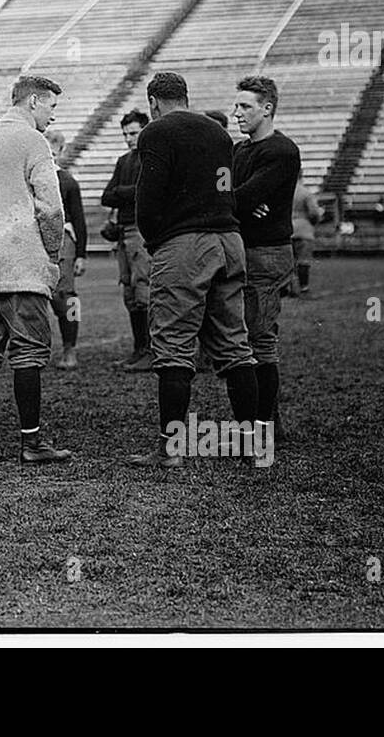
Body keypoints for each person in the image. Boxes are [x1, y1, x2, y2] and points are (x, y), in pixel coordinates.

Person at [126, 71, 260, 469]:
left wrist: (156, 241)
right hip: (229, 241)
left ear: (153, 102)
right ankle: (252, 444)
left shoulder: (156, 132)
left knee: (173, 347)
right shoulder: (218, 132)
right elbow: (225, 187)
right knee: (236, 345)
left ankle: (170, 449)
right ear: (185, 96)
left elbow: (148, 199)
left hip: (186, 245)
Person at [0, 75, 72, 465]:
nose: (53, 116)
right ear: (34, 101)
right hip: (23, 265)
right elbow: (51, 209)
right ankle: (32, 444)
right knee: (28, 352)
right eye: (51, 107)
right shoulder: (34, 141)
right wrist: (51, 254)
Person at [232, 75, 301, 441]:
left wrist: (242, 200)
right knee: (247, 338)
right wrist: (242, 200)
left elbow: (241, 197)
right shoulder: (240, 150)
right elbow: (232, 194)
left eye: (245, 106)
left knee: (259, 339)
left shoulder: (281, 150)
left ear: (267, 108)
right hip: (246, 249)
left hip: (267, 252)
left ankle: (265, 427)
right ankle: (268, 421)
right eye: (236, 105)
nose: (237, 113)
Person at [101, 109, 151, 372]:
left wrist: (122, 192)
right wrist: (129, 193)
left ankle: (151, 350)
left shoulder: (152, 157)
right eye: (125, 134)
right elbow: (106, 196)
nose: (129, 138)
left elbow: (147, 192)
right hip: (124, 230)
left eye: (133, 133)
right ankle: (139, 348)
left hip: (142, 230)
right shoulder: (124, 161)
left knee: (143, 289)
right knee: (129, 291)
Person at [46, 129, 87, 370]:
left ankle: (70, 347)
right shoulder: (29, 179)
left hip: (63, 244)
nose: (48, 158)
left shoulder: (67, 181)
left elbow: (79, 220)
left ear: (60, 153)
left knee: (67, 298)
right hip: (36, 243)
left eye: (53, 154)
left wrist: (81, 254)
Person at [290, 172, 323, 297]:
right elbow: (314, 212)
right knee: (303, 260)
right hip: (303, 229)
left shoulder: (286, 191)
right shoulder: (305, 193)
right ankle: (304, 287)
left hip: (288, 228)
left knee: (290, 261)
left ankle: (291, 287)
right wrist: (314, 222)